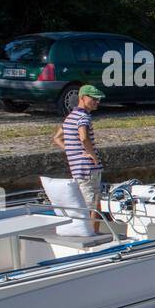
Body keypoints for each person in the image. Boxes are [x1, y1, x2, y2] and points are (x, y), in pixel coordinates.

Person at [51, 84, 104, 228]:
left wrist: (72, 151)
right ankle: (92, 234)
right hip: (88, 169)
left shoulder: (70, 117)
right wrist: (92, 155)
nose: (97, 102)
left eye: (98, 99)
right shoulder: (83, 117)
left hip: (76, 168)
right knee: (94, 204)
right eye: (93, 98)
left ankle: (88, 231)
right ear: (82, 97)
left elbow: (57, 138)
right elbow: (84, 137)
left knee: (84, 201)